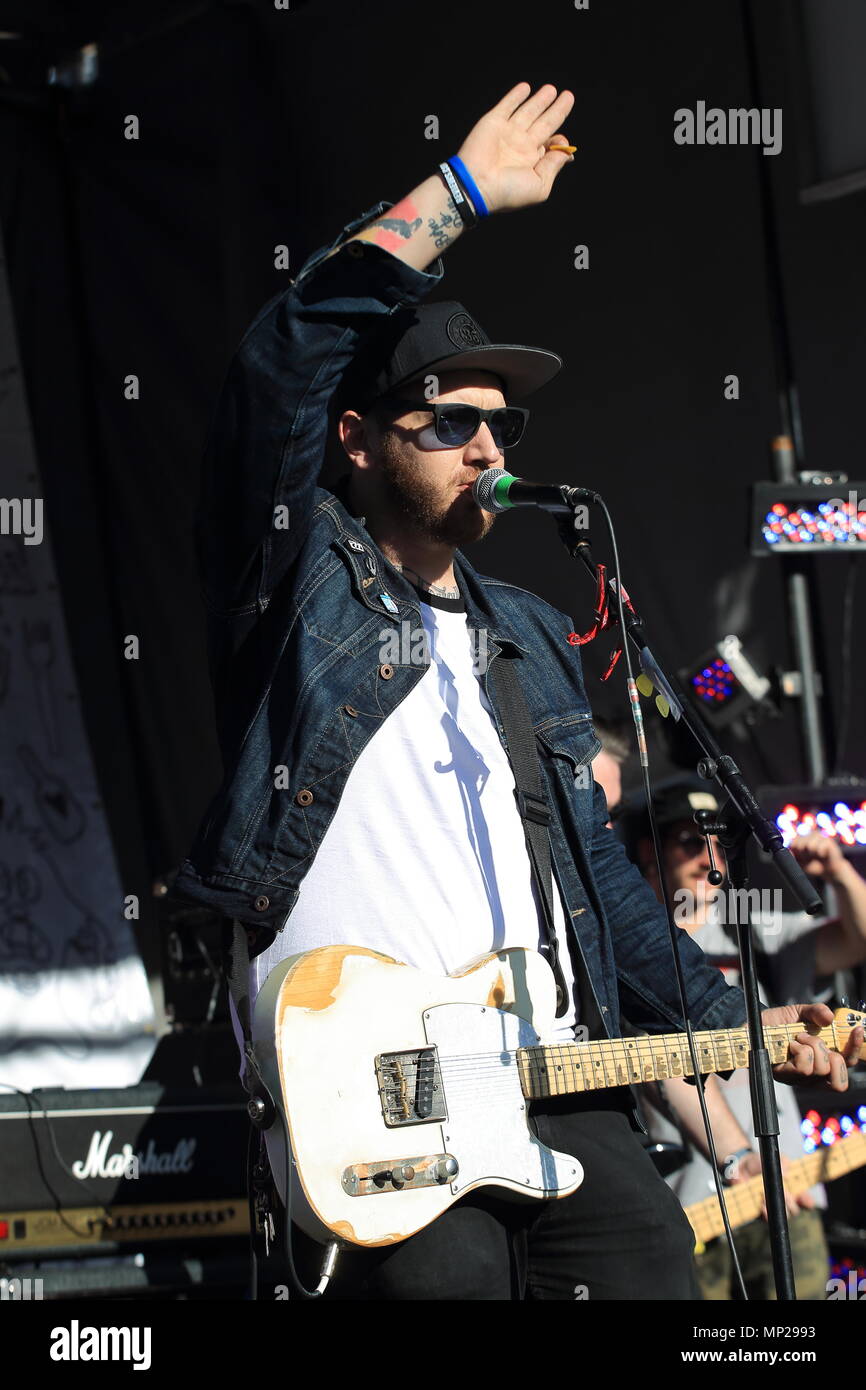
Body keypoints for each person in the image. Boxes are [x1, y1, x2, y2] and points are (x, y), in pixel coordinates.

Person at [173, 83, 860, 1301]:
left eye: (504, 426)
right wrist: (458, 198)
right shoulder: (291, 589)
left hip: (549, 1073)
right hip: (380, 1087)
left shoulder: (528, 635)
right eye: (449, 420)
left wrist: (734, 1021)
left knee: (661, 1275)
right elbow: (277, 367)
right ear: (356, 439)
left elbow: (598, 879)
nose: (490, 447)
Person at [624, 778, 866, 1300]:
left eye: (717, 842)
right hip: (680, 1200)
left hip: (783, 1186)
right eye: (690, 841)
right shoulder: (624, 950)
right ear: (650, 850)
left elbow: (856, 941)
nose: (707, 855)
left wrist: (841, 874)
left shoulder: (751, 932)